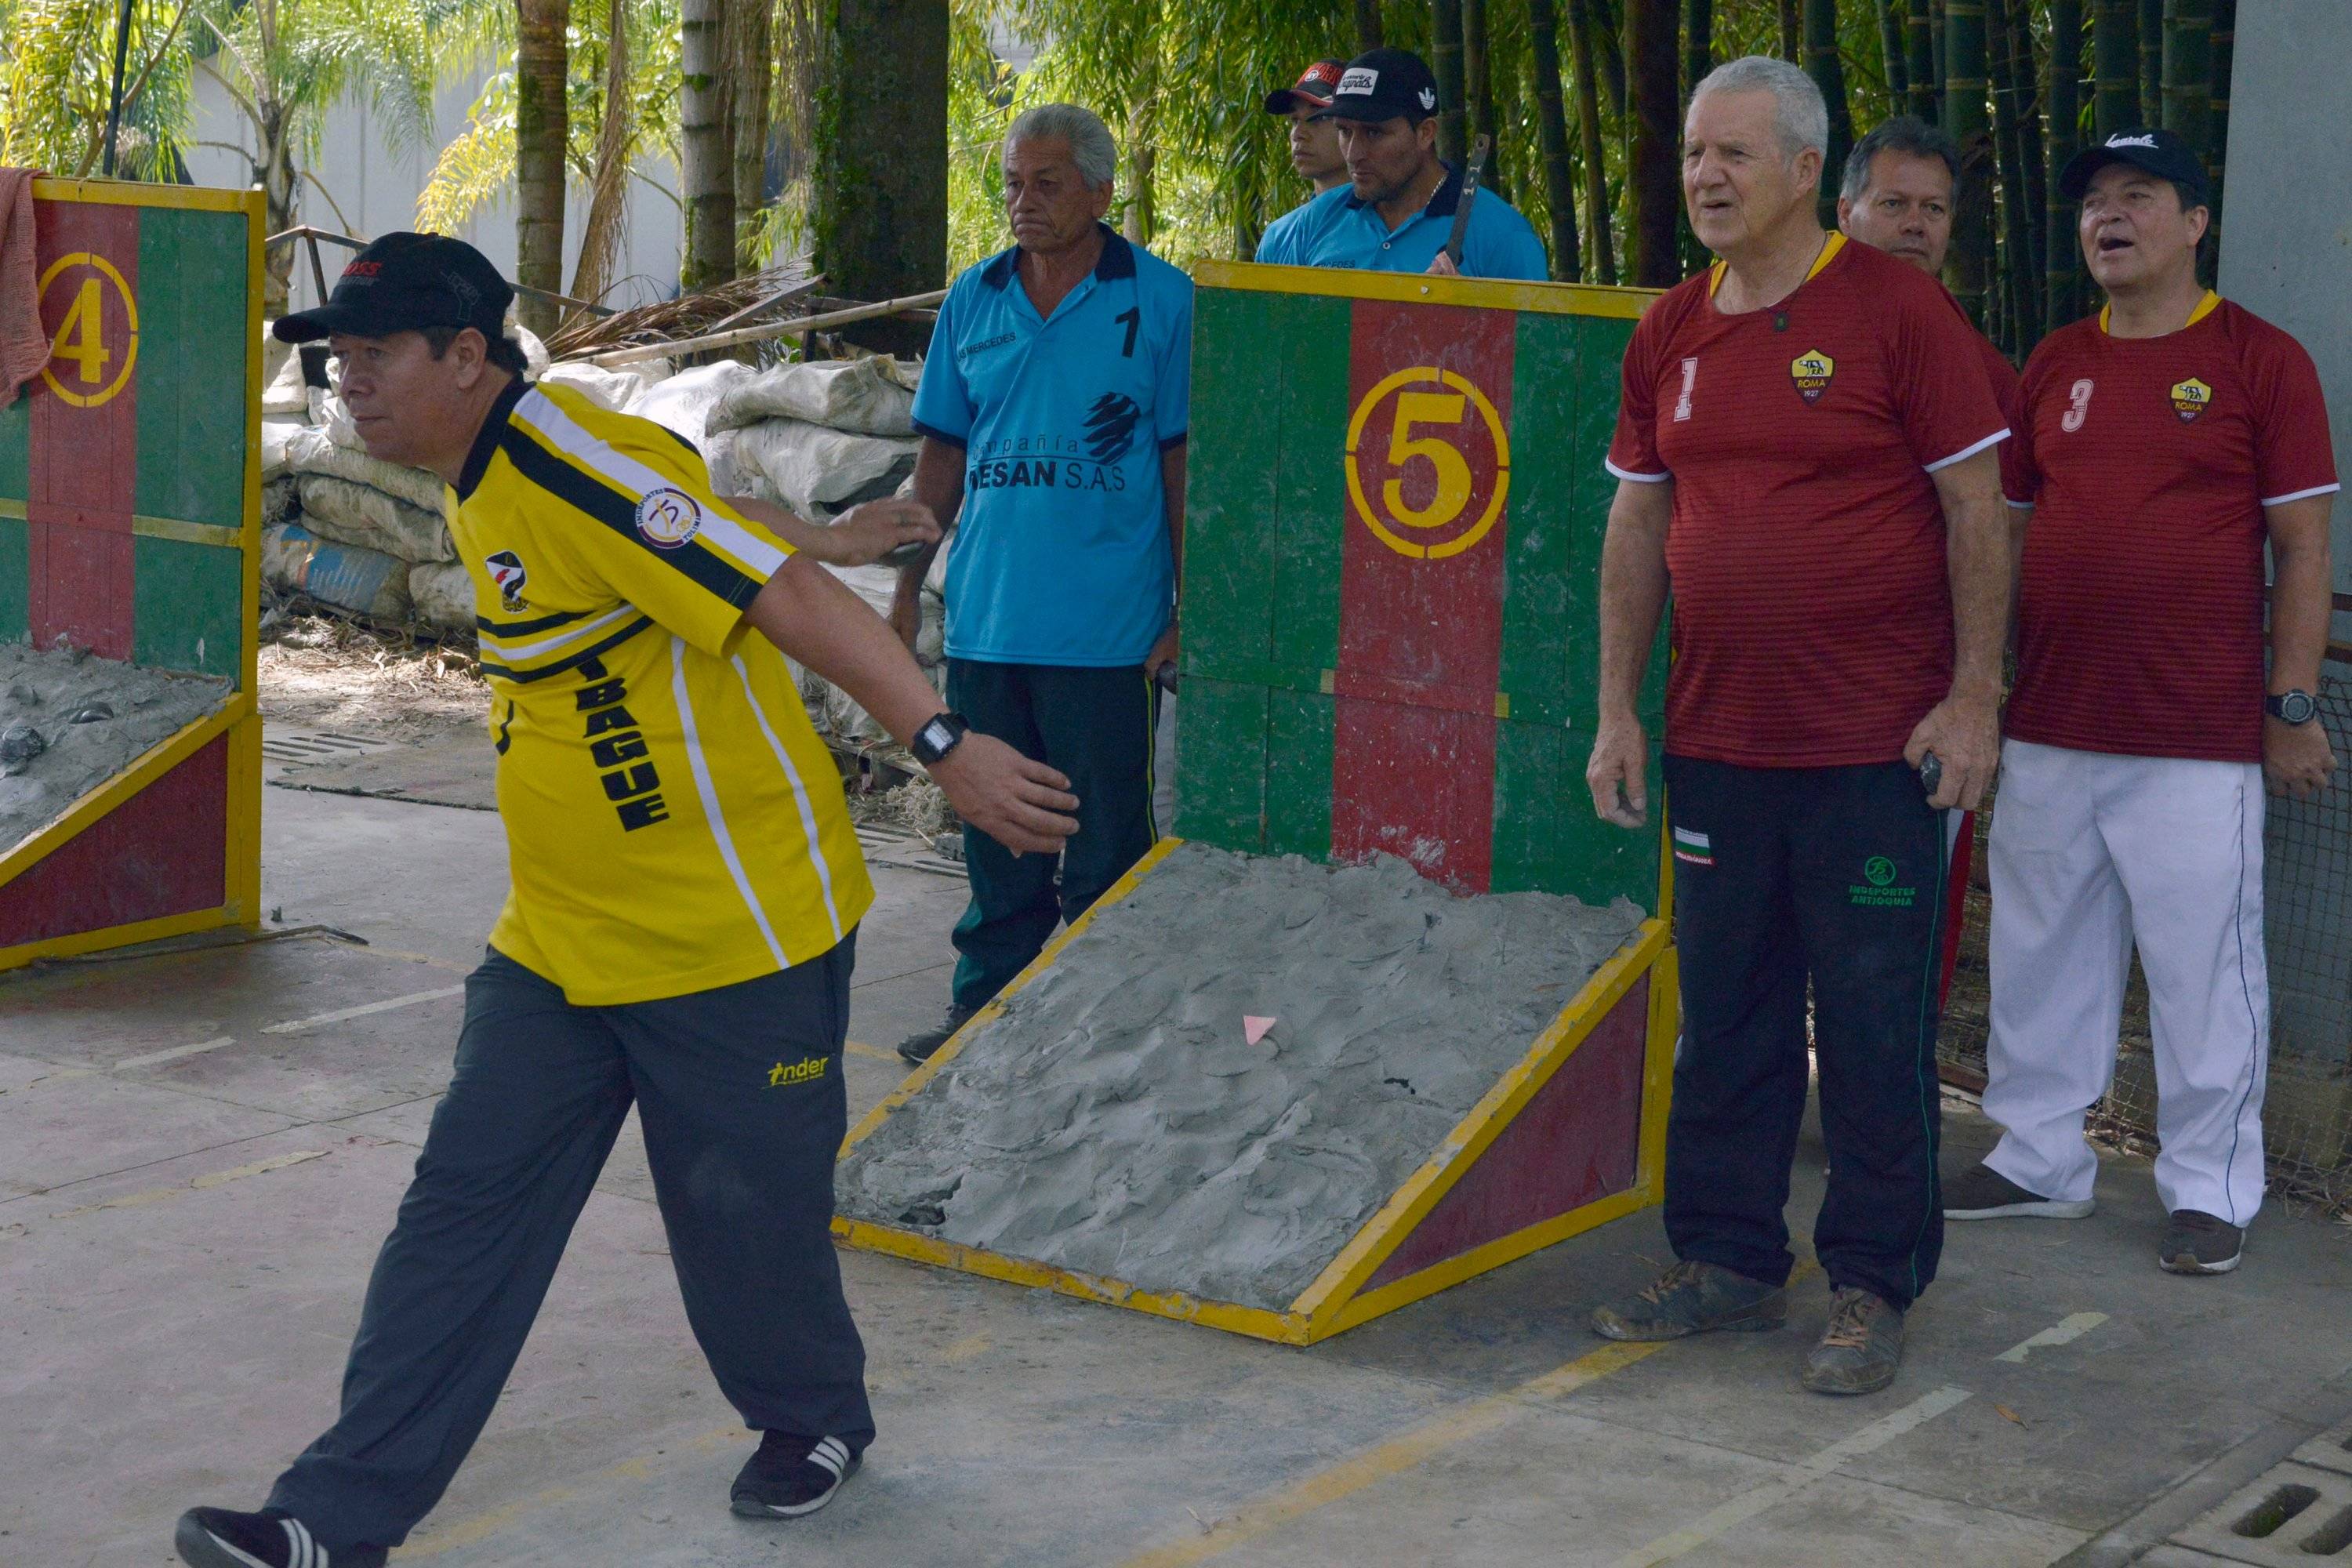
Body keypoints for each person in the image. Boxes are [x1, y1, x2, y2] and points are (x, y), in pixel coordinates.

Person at [170, 233, 1080, 1568]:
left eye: (373, 357)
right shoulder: (486, 476)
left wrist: (942, 746)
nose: (345, 383)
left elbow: (775, 589)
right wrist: (829, 523)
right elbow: (700, 523)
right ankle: (327, 1521)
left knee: (744, 1233)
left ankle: (813, 1416)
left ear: (466, 357)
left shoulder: (561, 459)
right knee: (459, 1219)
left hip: (732, 937)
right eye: (336, 358)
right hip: (558, 944)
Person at [1581, 57, 2013, 1396]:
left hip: (1875, 753)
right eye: (1696, 152)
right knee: (1726, 1018)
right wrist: (1617, 711)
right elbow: (1639, 520)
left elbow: (1977, 515)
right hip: (1717, 740)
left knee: (1876, 1022)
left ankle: (1874, 1285)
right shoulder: (1671, 329)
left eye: (1736, 156)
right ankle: (1727, 1264)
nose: (1706, 176)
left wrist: (1975, 695)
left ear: (1805, 174)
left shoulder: (1899, 316)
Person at [1942, 129, 2339, 1275]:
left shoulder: (2263, 360)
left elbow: (2302, 549)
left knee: (2203, 968)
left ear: (2195, 222)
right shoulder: (2056, 361)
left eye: (2139, 197)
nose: (2109, 217)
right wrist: (1984, 683)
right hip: (2055, 721)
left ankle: (2213, 1187)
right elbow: (2004, 533)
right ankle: (2037, 1159)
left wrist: (2291, 705)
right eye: (2094, 203)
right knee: (2039, 950)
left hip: (2195, 736)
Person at [886, 103, 1192, 1065]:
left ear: (1101, 193)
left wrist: (1192, 612)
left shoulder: (1164, 300)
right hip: (988, 625)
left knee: (1104, 853)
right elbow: (939, 461)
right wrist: (904, 595)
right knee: (998, 848)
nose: (1023, 202)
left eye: (1046, 184)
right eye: (1013, 183)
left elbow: (1185, 467)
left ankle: (1106, 1040)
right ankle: (983, 1028)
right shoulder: (974, 300)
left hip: (1108, 636)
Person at [1836, 112, 2024, 1009]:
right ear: (1842, 209)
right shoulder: (1751, 318)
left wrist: (1976, 693)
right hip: (1760, 706)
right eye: (1894, 203)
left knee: (1895, 938)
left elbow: (2006, 530)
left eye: (1936, 209)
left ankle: (1874, 1130)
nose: (1916, 224)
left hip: (1911, 707)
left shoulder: (1980, 366)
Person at [1257, 47, 1549, 280]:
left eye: (1374, 132)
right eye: (1345, 131)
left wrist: (1471, 324)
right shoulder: (1312, 223)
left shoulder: (1503, 236)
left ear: (1425, 133)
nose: (1354, 153)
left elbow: (1536, 351)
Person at [1254, 59, 1351, 266]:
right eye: (1294, 120)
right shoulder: (1277, 238)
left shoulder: (1391, 223)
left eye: (1318, 118)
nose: (1298, 134)